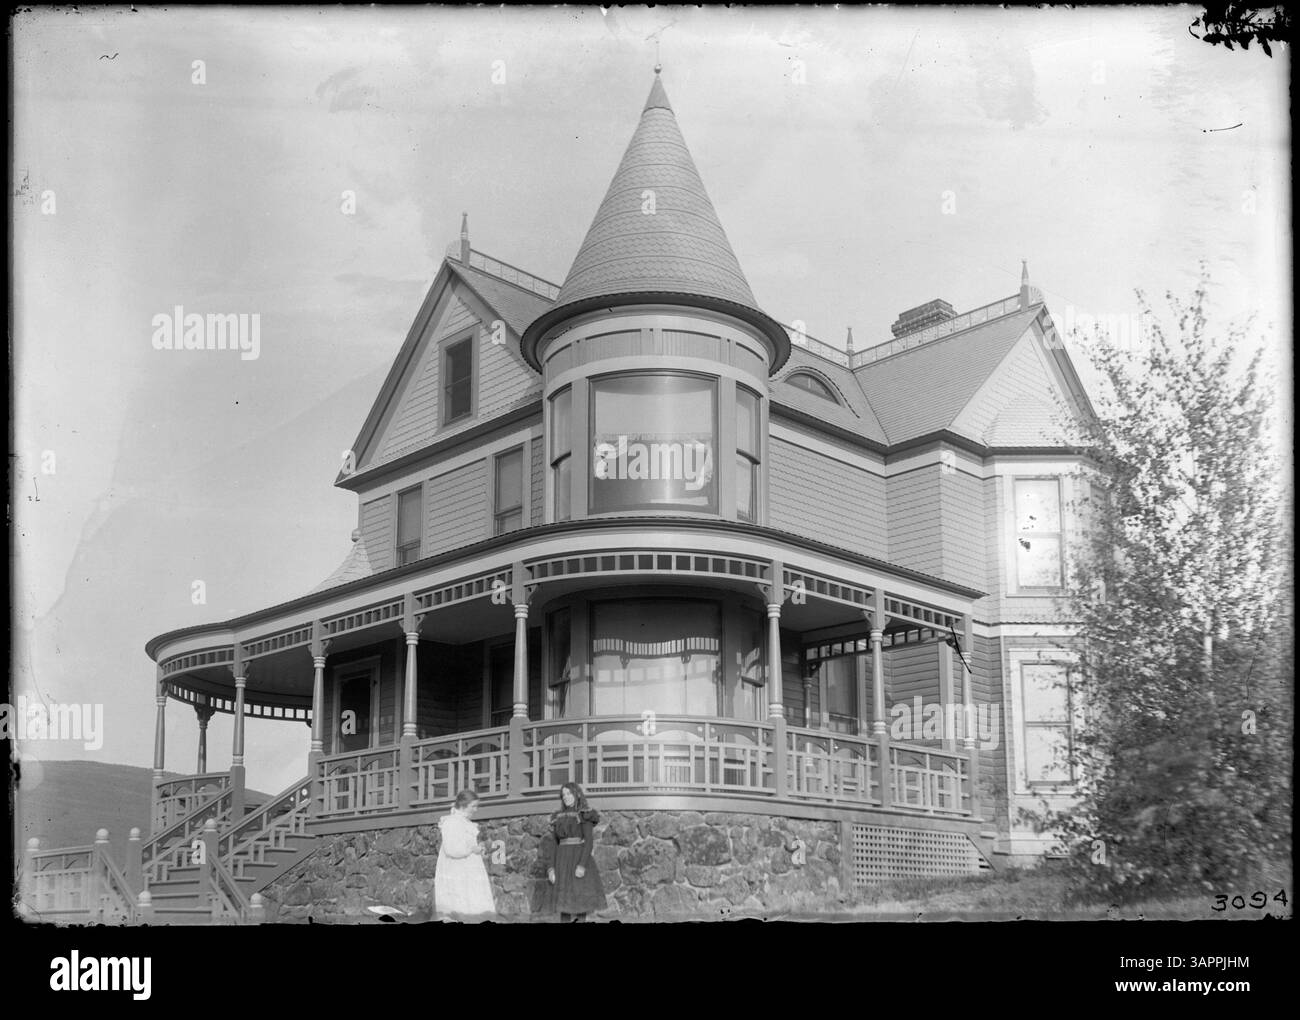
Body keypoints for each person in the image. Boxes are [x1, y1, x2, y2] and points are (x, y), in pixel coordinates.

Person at [540, 781, 606, 922]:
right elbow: (554, 844)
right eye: (563, 794)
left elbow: (588, 842)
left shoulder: (584, 814)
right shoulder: (558, 816)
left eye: (569, 793)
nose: (566, 797)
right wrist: (551, 868)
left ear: (577, 794)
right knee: (563, 904)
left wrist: (581, 865)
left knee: (579, 901)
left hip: (578, 860)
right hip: (561, 862)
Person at [433, 789, 496, 921]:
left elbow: (465, 843)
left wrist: (478, 848)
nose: (476, 809)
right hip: (457, 870)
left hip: (468, 869)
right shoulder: (452, 822)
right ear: (462, 805)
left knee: (473, 899)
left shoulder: (464, 822)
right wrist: (472, 849)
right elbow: (452, 849)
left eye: (476, 806)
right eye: (473, 806)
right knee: (460, 900)